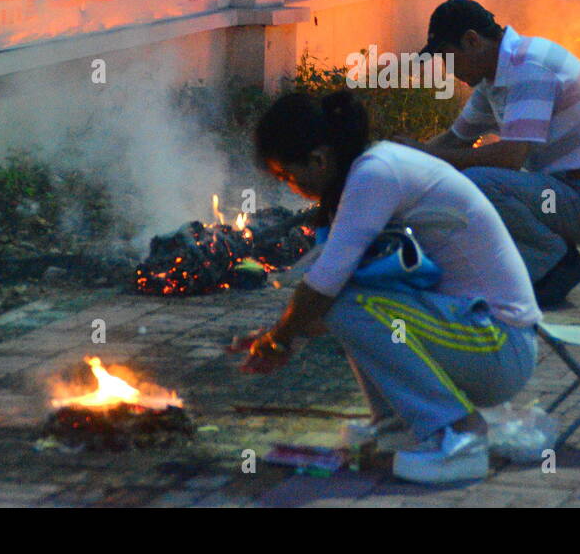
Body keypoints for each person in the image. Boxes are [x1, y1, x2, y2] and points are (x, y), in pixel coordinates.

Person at [231, 89, 541, 485]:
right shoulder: (372, 168)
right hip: (482, 339)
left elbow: (322, 288)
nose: (292, 187)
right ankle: (398, 427)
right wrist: (280, 334)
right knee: (348, 305)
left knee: (341, 304)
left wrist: (280, 338)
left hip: (501, 347)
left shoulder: (374, 174)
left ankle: (458, 434)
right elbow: (337, 302)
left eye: (289, 176)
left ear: (319, 159)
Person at [405, 0, 580, 307]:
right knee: (463, 179)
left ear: (471, 40)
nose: (447, 70)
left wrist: (429, 157)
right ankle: (527, 265)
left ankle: (554, 265)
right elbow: (455, 141)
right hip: (561, 192)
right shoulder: (494, 80)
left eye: (447, 57)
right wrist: (402, 161)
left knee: (480, 182)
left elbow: (510, 157)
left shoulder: (528, 66)